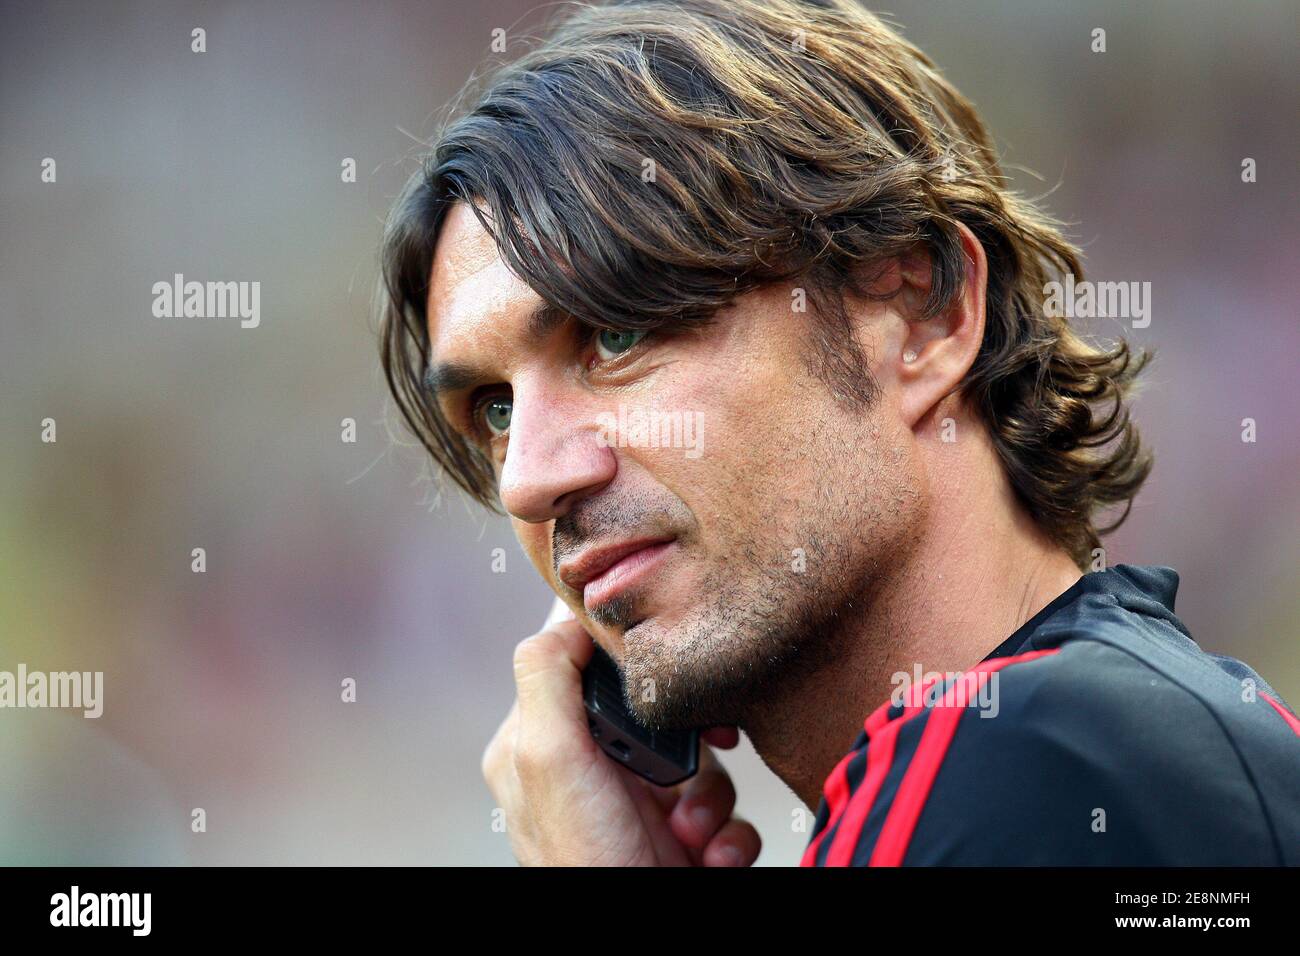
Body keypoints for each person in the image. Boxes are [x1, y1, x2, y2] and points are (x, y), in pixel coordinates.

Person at [377, 0, 1300, 865]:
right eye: (495, 410)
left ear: (923, 315)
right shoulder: (1124, 741)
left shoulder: (1034, 754)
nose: (527, 480)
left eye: (616, 334)